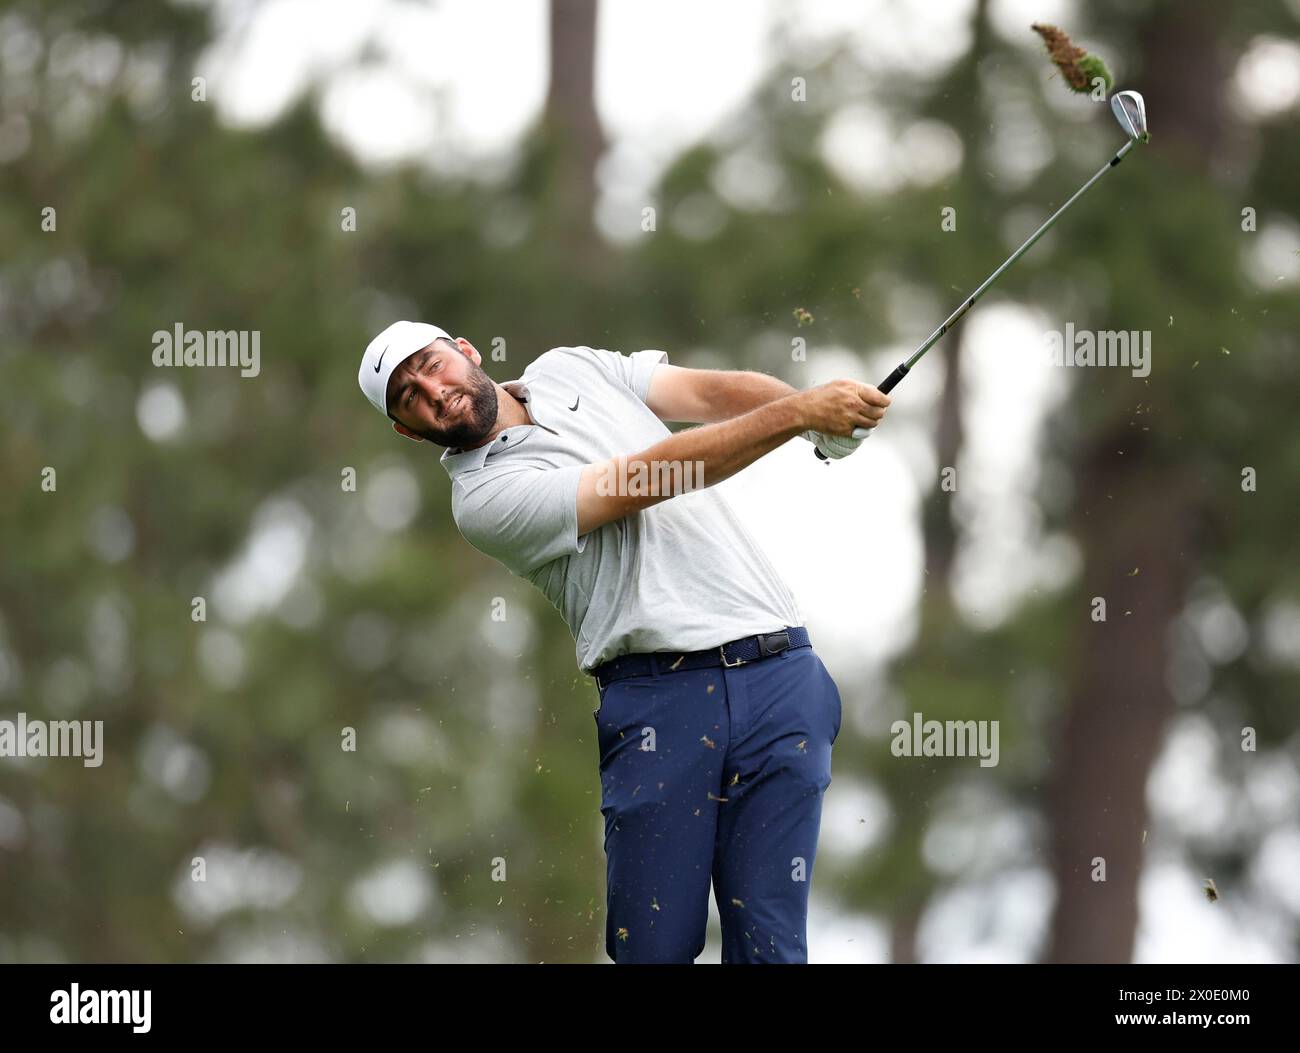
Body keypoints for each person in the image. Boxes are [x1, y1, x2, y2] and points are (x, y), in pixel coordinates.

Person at [357, 320, 891, 963]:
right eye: (409, 397)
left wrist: (816, 422)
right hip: (659, 703)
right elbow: (646, 480)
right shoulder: (484, 500)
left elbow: (708, 394)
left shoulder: (569, 366)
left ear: (465, 351)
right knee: (654, 948)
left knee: (772, 944)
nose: (432, 391)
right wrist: (799, 412)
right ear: (407, 430)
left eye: (430, 365)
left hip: (781, 676)